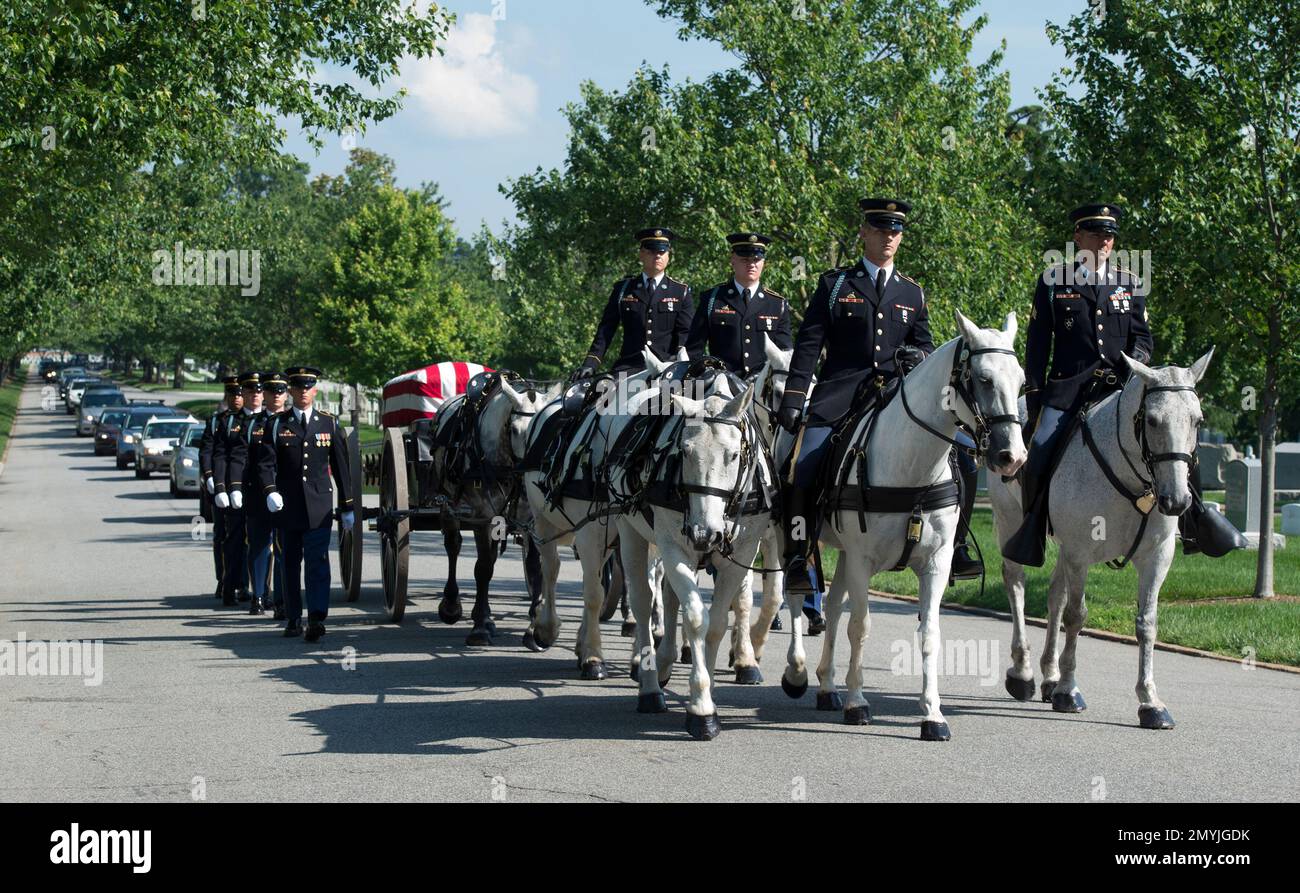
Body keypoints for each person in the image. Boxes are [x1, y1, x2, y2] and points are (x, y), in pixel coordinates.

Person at [776, 199, 933, 634]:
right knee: (802, 467)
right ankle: (797, 554)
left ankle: (953, 548)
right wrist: (793, 400)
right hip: (840, 394)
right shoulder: (835, 284)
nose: (888, 237)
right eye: (881, 229)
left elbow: (927, 348)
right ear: (863, 232)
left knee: (954, 460)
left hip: (895, 396)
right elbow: (809, 346)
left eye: (896, 230)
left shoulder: (912, 291)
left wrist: (916, 354)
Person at [1003, 203, 1153, 566]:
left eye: (1109, 235)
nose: (1104, 242)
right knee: (1038, 454)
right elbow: (1037, 344)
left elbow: (1143, 340)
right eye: (1096, 234)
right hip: (1068, 390)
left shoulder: (1130, 283)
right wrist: (1036, 396)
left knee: (1166, 441)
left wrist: (1135, 369)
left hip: (1117, 389)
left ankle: (1193, 521)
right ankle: (1034, 530)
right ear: (1078, 237)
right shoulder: (1055, 280)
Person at [257, 366, 354, 641]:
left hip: (319, 506)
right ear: (290, 390)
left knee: (317, 563)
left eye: (307, 386)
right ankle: (292, 616)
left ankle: (316, 618)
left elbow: (341, 466)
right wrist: (270, 491)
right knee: (289, 563)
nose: (302, 391)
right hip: (287, 507)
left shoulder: (329, 423)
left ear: (315, 390)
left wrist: (347, 505)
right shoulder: (277, 424)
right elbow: (265, 464)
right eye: (297, 386)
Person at [574, 227, 695, 378]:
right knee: (598, 398)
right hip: (629, 367)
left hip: (667, 368)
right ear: (641, 254)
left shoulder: (680, 291)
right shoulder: (623, 289)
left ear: (668, 256)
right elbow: (606, 330)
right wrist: (591, 363)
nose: (657, 256)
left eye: (662, 252)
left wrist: (680, 363)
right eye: (652, 251)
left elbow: (686, 334)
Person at [685, 232, 792, 376]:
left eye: (756, 259)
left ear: (763, 263)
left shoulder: (777, 304)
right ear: (733, 260)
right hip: (722, 385)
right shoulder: (712, 299)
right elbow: (694, 350)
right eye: (745, 259)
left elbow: (784, 353)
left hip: (762, 387)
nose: (751, 264)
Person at [228, 372, 288, 616]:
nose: (275, 395)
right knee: (259, 545)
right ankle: (259, 595)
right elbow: (240, 457)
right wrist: (235, 487)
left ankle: (283, 597)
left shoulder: (291, 422)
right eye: (270, 390)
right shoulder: (254, 424)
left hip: (286, 494)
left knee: (284, 546)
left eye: (280, 390)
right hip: (257, 494)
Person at [212, 371, 263, 606]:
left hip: (262, 491)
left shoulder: (269, 421)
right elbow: (221, 456)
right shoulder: (230, 422)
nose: (255, 394)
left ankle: (261, 591)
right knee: (234, 541)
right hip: (238, 491)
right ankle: (230, 586)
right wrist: (222, 487)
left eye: (259, 390)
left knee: (263, 544)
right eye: (250, 390)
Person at [199, 375, 241, 600]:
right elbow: (206, 451)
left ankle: (244, 582)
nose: (237, 398)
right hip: (221, 486)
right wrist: (209, 477)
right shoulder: (217, 422)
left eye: (240, 394)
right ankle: (224, 579)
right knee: (223, 535)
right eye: (233, 394)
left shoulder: (250, 421)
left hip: (243, 487)